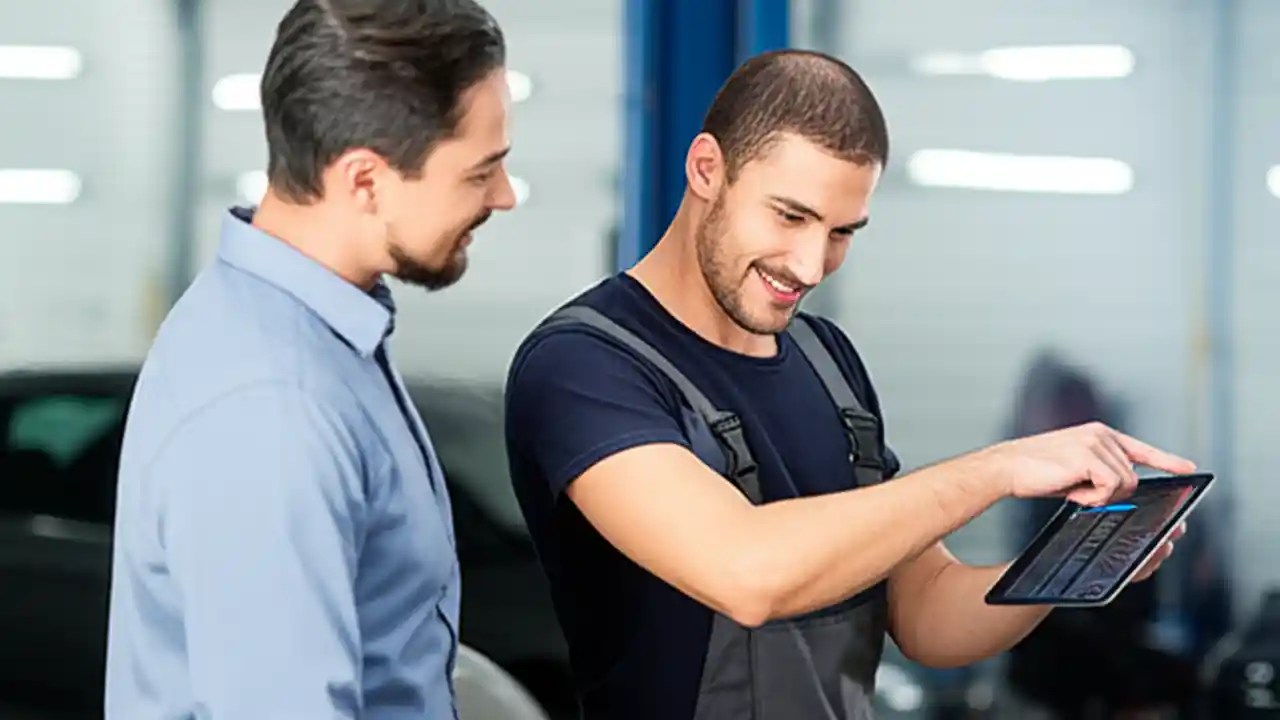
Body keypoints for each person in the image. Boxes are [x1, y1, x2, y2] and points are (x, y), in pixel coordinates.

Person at [502, 49, 1196, 720]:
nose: (810, 264)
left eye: (842, 231)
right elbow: (746, 572)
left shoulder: (826, 361)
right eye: (790, 215)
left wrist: (1066, 570)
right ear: (707, 168)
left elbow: (927, 616)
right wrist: (1000, 468)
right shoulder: (584, 367)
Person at [104, 1, 515, 717]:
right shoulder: (272, 406)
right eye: (481, 173)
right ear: (364, 180)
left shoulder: (307, 335)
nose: (503, 197)